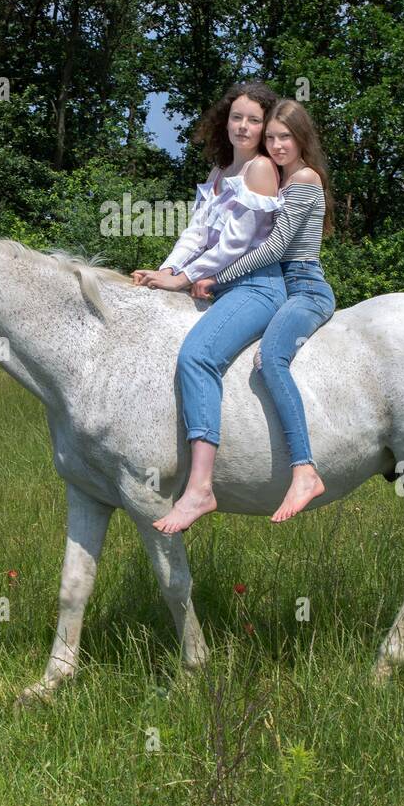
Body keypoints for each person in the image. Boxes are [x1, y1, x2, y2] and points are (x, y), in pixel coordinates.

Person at [132, 81, 285, 534]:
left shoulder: (259, 170)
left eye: (254, 120)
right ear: (226, 120)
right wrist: (166, 271)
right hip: (217, 285)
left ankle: (200, 488)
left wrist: (182, 279)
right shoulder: (221, 171)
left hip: (257, 286)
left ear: (265, 127)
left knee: (197, 356)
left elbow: (234, 245)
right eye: (237, 117)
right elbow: (197, 235)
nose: (243, 126)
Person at [192, 99, 336, 521]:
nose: (275, 145)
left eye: (284, 137)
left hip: (306, 288)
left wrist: (219, 277)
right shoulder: (283, 178)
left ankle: (305, 470)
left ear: (302, 138)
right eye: (270, 138)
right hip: (285, 287)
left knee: (271, 360)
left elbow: (274, 247)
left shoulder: (305, 179)